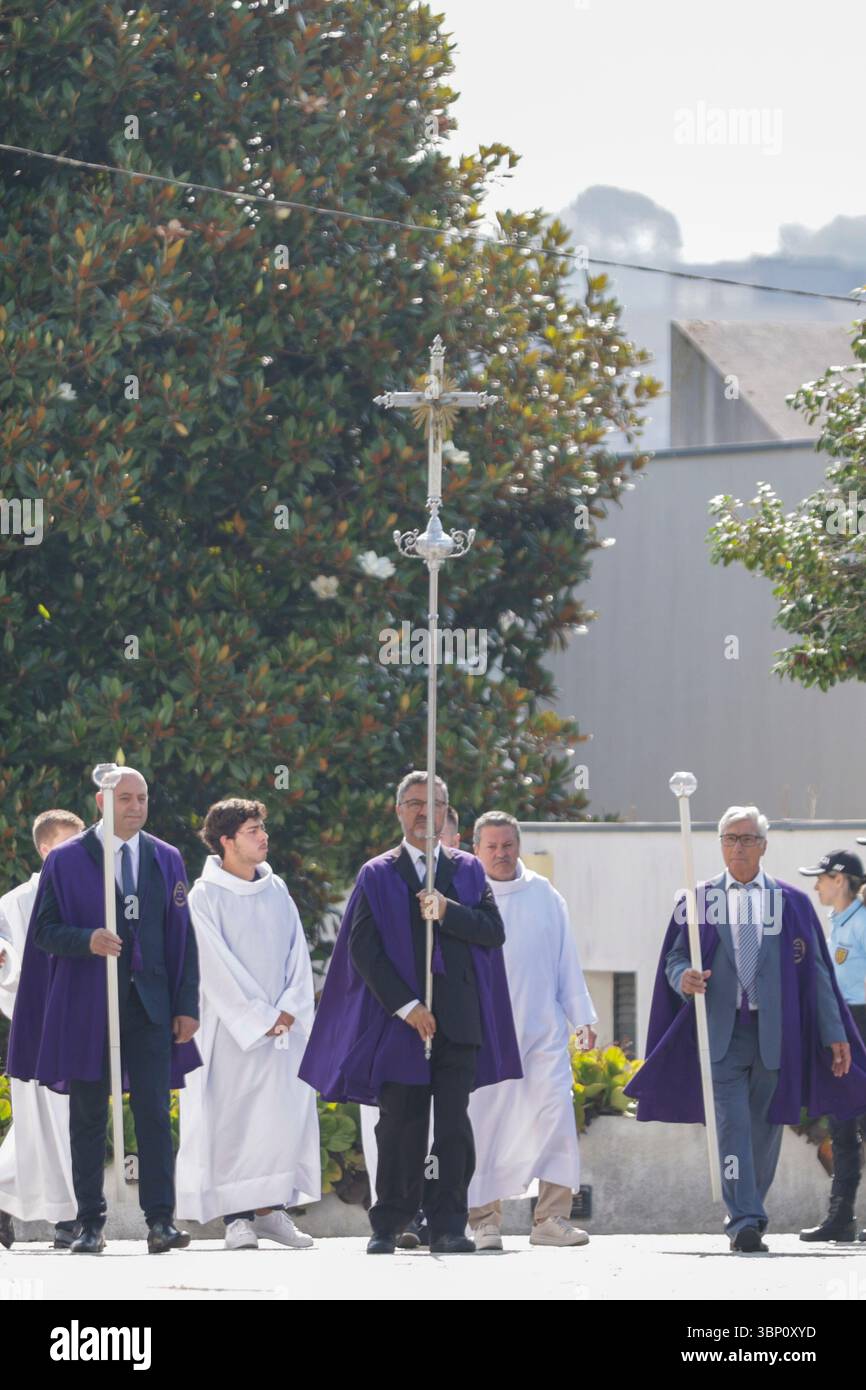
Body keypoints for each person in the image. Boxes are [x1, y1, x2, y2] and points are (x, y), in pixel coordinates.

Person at [625, 805, 866, 1253]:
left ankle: (750, 1207)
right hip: (722, 1033)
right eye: (730, 839)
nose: (738, 846)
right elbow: (675, 957)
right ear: (720, 846)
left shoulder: (791, 902)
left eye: (747, 838)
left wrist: (835, 1033)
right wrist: (683, 977)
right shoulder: (695, 900)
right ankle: (744, 1220)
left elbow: (816, 974)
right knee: (732, 1126)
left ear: (763, 846)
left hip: (776, 1036)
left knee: (765, 1129)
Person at [300, 771, 521, 1255]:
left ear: (446, 813)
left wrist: (446, 910)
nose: (426, 813)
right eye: (416, 803)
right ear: (399, 810)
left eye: (435, 804)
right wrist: (408, 1006)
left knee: (452, 1127)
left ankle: (448, 1223)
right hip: (399, 1023)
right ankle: (390, 1222)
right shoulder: (377, 873)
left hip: (458, 1021)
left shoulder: (467, 871)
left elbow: (491, 930)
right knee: (400, 1125)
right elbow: (362, 948)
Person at [8, 767, 201, 1255]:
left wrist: (186, 1005)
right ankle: (88, 1223)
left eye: (143, 798)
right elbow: (44, 931)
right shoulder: (69, 860)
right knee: (89, 1114)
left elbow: (182, 937)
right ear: (101, 802)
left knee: (155, 1112)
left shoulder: (166, 857)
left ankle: (160, 1221)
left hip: (150, 1005)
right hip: (88, 1005)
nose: (136, 806)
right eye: (126, 798)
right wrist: (87, 940)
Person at [176, 798, 319, 1249]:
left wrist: (291, 1007)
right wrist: (260, 1016)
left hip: (283, 1030)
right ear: (226, 840)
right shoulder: (204, 896)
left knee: (278, 1121)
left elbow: (299, 953)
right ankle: (236, 1218)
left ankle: (271, 1211)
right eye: (253, 830)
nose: (263, 836)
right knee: (232, 1122)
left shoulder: (276, 890)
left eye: (262, 827)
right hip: (231, 1033)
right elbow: (214, 965)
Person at [467, 812, 598, 1249]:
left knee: (556, 1118)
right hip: (484, 1038)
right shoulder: (464, 896)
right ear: (476, 850)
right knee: (483, 1125)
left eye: (508, 845)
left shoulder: (545, 896)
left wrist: (582, 1017)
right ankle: (484, 1219)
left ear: (518, 846)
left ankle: (551, 1218)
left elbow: (567, 962)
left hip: (542, 1035)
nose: (501, 854)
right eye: (492, 847)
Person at [0, 811, 83, 1249]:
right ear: (47, 850)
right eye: (72, 843)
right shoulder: (14, 902)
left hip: (83, 1025)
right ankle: (70, 1221)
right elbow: (5, 959)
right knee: (50, 1125)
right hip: (38, 1031)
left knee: (50, 1127)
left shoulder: (92, 895)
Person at [798, 850, 866, 1242]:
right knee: (841, 1125)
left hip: (861, 1024)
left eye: (821, 878)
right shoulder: (838, 921)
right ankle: (841, 1217)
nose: (816, 885)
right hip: (843, 1025)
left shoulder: (860, 923)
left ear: (840, 880)